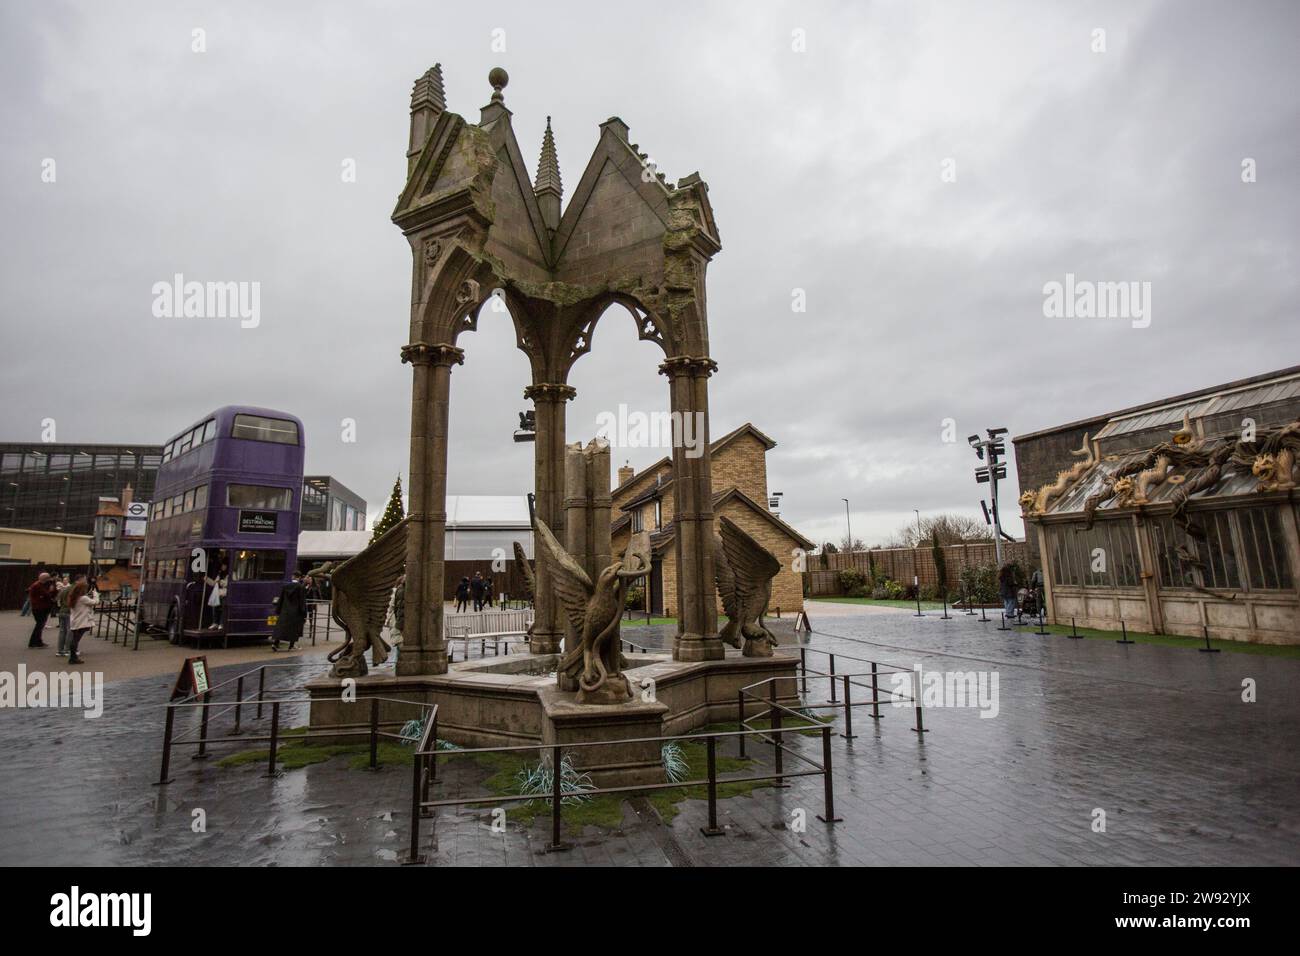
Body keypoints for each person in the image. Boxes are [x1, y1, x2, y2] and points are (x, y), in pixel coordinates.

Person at [271, 571, 308, 652]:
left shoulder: (285, 586)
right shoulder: (300, 587)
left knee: (281, 628)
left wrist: (278, 610)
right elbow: (302, 601)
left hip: (285, 610)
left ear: (293, 577)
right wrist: (304, 613)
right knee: (294, 629)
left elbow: (281, 599)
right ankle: (291, 646)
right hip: (296, 612)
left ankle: (275, 644)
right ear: (299, 578)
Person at [66, 577, 97, 665]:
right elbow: (95, 602)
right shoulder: (83, 598)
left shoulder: (74, 597)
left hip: (75, 620)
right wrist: (95, 595)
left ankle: (73, 656)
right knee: (76, 640)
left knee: (75, 639)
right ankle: (73, 657)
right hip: (81, 621)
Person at [26, 572, 57, 648]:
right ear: (45, 579)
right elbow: (47, 595)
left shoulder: (39, 585)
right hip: (39, 608)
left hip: (40, 608)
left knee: (40, 625)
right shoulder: (38, 586)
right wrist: (52, 590)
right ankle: (33, 642)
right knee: (39, 625)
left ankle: (38, 641)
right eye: (48, 578)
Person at [204, 565, 228, 631]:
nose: (223, 567)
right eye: (222, 566)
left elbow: (228, 584)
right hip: (218, 594)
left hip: (225, 595)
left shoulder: (231, 574)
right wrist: (207, 579)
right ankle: (215, 623)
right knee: (215, 608)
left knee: (223, 609)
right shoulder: (219, 575)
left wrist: (220, 582)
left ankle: (221, 623)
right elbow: (214, 584)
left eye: (224, 565)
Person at [55, 575, 74, 657]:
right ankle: (67, 649)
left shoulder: (62, 590)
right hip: (68, 611)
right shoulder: (71, 590)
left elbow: (58, 600)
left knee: (62, 631)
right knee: (70, 630)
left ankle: (60, 650)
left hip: (61, 611)